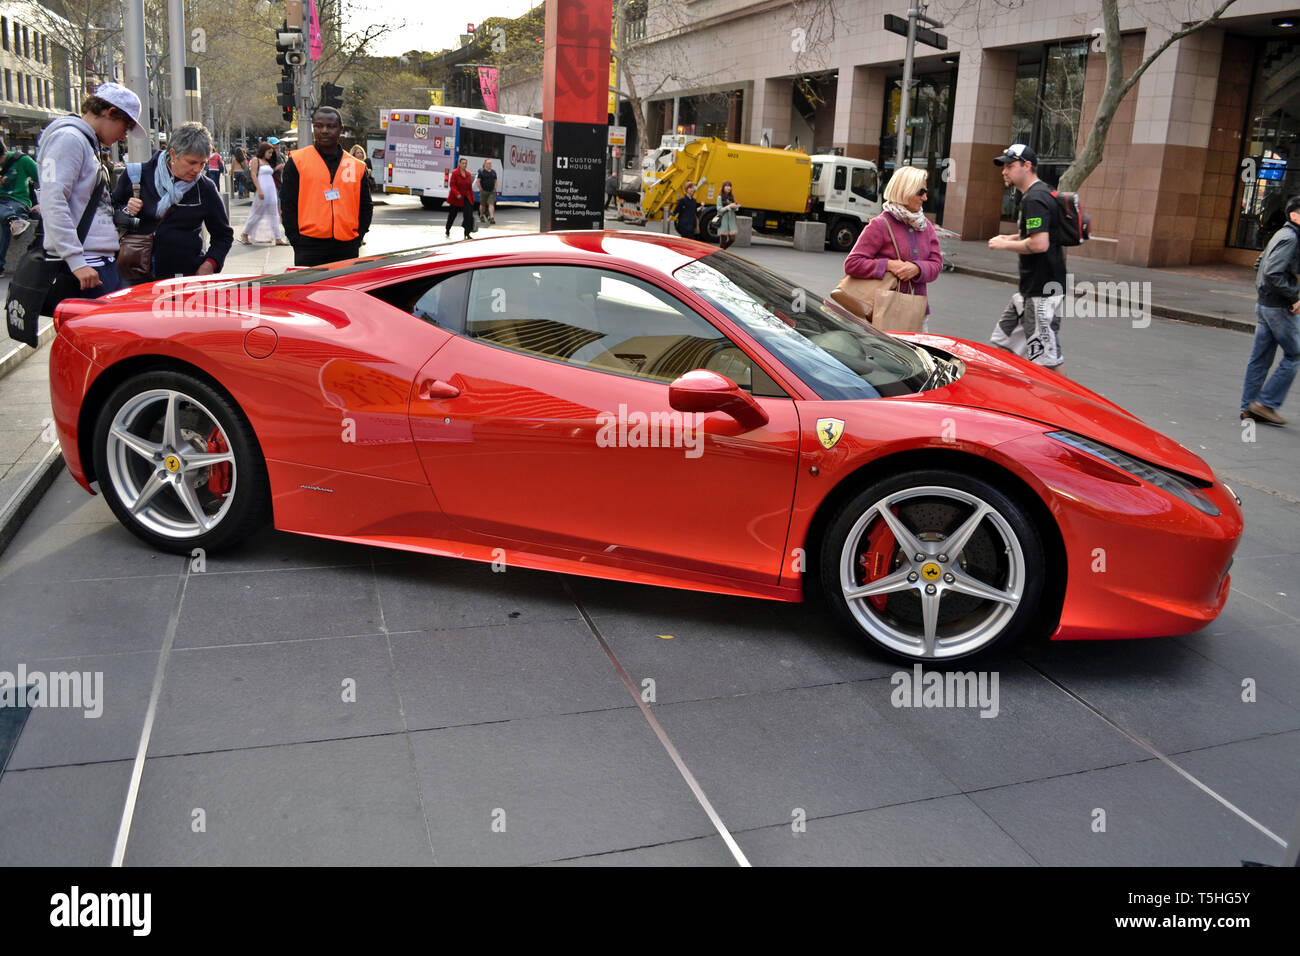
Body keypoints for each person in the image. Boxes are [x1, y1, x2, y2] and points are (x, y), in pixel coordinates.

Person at [37, 82, 144, 297]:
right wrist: (77, 262)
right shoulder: (70, 138)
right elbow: (53, 200)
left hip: (92, 260)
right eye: (126, 126)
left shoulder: (83, 141)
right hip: (86, 264)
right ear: (111, 112)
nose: (124, 136)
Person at [111, 121, 233, 281]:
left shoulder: (205, 188)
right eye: (192, 162)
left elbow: (223, 235)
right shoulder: (137, 175)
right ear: (173, 154)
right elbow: (108, 213)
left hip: (182, 277)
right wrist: (125, 211)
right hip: (133, 273)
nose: (197, 170)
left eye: (203, 163)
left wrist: (210, 264)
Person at [987, 143, 1068, 377]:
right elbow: (1042, 234)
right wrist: (1010, 236)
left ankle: (1065, 404)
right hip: (1031, 291)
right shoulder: (1042, 193)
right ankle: (1002, 392)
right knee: (1005, 342)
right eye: (1004, 167)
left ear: (1027, 166)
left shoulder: (1034, 199)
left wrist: (1004, 244)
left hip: (1041, 291)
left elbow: (1039, 244)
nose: (1004, 171)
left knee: (1047, 357)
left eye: (1010, 166)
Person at [843, 165, 942, 329]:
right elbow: (852, 263)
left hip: (917, 311)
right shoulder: (880, 224)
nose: (925, 197)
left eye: (926, 192)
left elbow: (936, 264)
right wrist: (888, 265)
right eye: (921, 192)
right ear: (905, 190)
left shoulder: (926, 227)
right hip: (882, 310)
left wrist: (917, 269)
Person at [280, 107, 372, 266]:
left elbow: (366, 206)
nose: (324, 130)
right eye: (318, 126)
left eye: (330, 126)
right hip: (308, 246)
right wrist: (296, 239)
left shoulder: (356, 166)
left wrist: (358, 238)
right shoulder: (297, 161)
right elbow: (288, 204)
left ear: (340, 129)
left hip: (346, 246)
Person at [1239, 195, 1300, 425]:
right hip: (1278, 307)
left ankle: (1248, 408)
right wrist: (1293, 296)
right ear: (1294, 215)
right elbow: (1273, 272)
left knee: (1260, 358)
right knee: (1295, 354)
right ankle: (1266, 404)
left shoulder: (1280, 234)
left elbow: (1259, 264)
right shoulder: (1291, 238)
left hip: (1265, 304)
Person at [0, 136, 40, 272]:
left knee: (2, 219)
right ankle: (12, 219)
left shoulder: (22, 160)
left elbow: (46, 181)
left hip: (17, 202)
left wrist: (43, 204)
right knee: (4, 217)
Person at [239, 141, 289, 246]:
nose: (271, 155)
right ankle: (245, 234)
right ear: (264, 151)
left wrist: (277, 168)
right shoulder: (255, 160)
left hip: (272, 190)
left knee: (274, 214)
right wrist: (259, 190)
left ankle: (278, 238)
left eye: (272, 153)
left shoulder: (267, 162)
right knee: (257, 213)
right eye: (269, 152)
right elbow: (253, 175)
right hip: (262, 189)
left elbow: (269, 172)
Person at [446, 156, 474, 240]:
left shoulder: (468, 174)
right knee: (452, 215)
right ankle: (448, 229)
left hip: (466, 197)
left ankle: (467, 233)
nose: (464, 165)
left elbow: (470, 187)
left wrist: (472, 199)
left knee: (468, 215)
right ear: (459, 164)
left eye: (466, 163)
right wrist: (457, 193)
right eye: (463, 163)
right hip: (456, 197)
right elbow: (452, 185)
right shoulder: (455, 173)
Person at [715, 179, 740, 250]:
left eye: (730, 186)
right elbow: (719, 209)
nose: (729, 187)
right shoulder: (719, 197)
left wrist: (736, 207)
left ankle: (721, 251)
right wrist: (729, 206)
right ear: (723, 187)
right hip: (724, 220)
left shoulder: (731, 197)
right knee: (723, 240)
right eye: (727, 186)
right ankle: (721, 253)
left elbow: (735, 209)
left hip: (731, 221)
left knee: (732, 239)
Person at [475, 158, 497, 224]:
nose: (490, 164)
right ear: (485, 164)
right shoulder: (481, 172)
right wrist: (481, 189)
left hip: (491, 191)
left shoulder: (493, 172)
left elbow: (496, 181)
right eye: (488, 163)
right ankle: (481, 215)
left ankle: (492, 217)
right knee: (483, 205)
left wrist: (495, 188)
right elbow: (478, 181)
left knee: (491, 204)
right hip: (483, 191)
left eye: (490, 163)